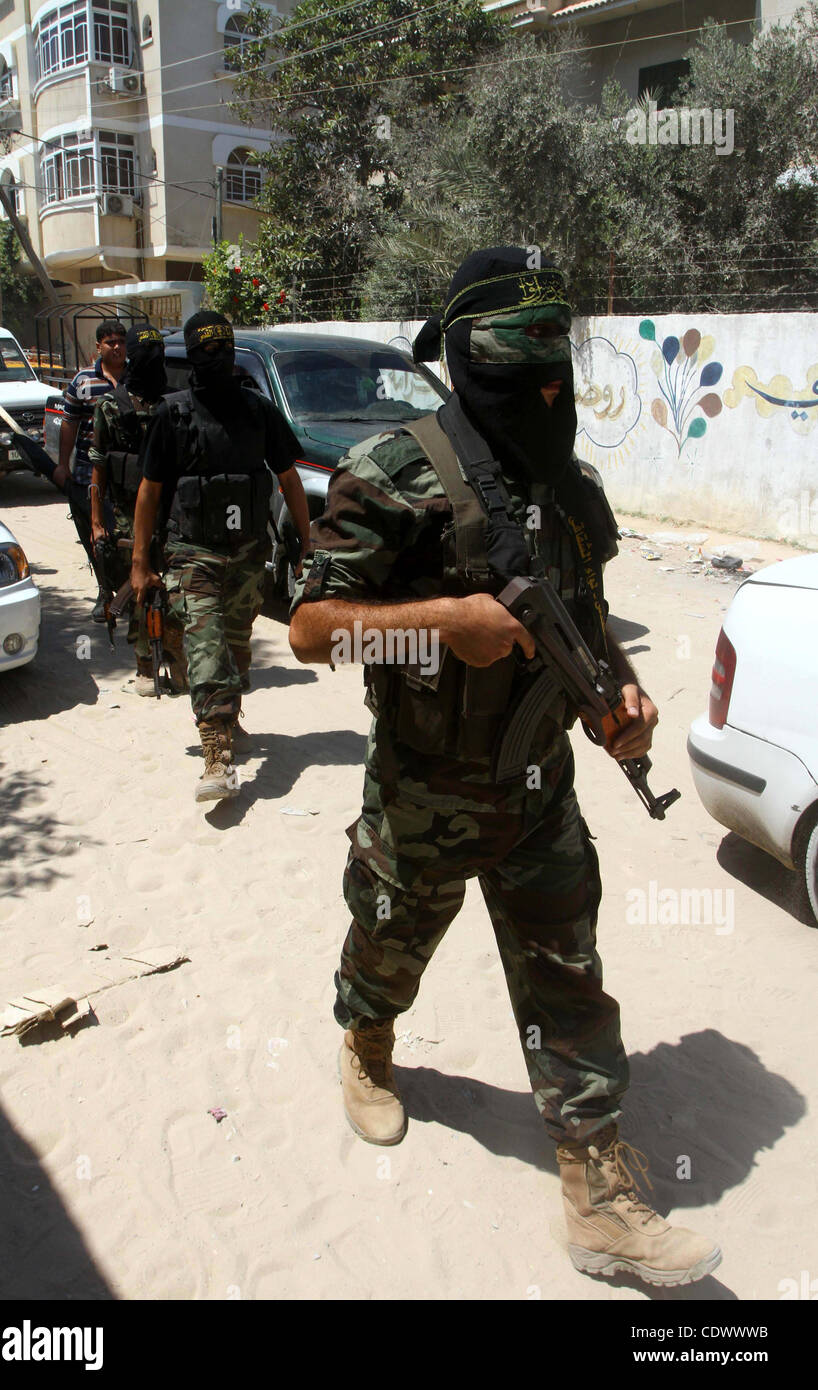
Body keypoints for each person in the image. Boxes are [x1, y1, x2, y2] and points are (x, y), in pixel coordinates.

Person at [287, 246, 721, 1288]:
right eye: (514, 358)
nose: (541, 387)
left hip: (540, 795)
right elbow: (310, 631)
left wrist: (618, 703)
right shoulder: (390, 471)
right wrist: (440, 623)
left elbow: (587, 624)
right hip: (423, 791)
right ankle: (365, 1043)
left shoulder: (572, 493)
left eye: (554, 356)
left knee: (567, 979)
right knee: (387, 949)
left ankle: (596, 1188)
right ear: (459, 358)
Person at [131, 310, 311, 804]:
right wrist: (139, 562)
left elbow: (289, 478)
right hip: (193, 550)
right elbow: (150, 491)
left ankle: (228, 715)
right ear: (191, 356)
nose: (218, 358)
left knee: (235, 643)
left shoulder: (258, 411)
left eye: (225, 348)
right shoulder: (174, 415)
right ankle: (216, 752)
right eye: (207, 350)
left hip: (249, 553)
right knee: (207, 642)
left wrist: (307, 542)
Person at [89, 324, 186, 695]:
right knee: (138, 590)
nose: (154, 361)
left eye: (159, 353)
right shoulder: (112, 406)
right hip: (129, 515)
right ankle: (145, 666)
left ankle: (178, 665)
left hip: (172, 512)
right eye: (147, 354)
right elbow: (97, 468)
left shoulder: (174, 404)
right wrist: (97, 522)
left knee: (176, 593)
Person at [56, 319, 127, 621]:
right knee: (94, 536)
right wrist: (62, 464)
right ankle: (104, 591)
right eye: (110, 341)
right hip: (88, 472)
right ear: (98, 346)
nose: (117, 346)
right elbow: (69, 425)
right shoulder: (83, 381)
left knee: (123, 534)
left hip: (126, 474)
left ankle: (128, 588)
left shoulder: (134, 377)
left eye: (121, 340)